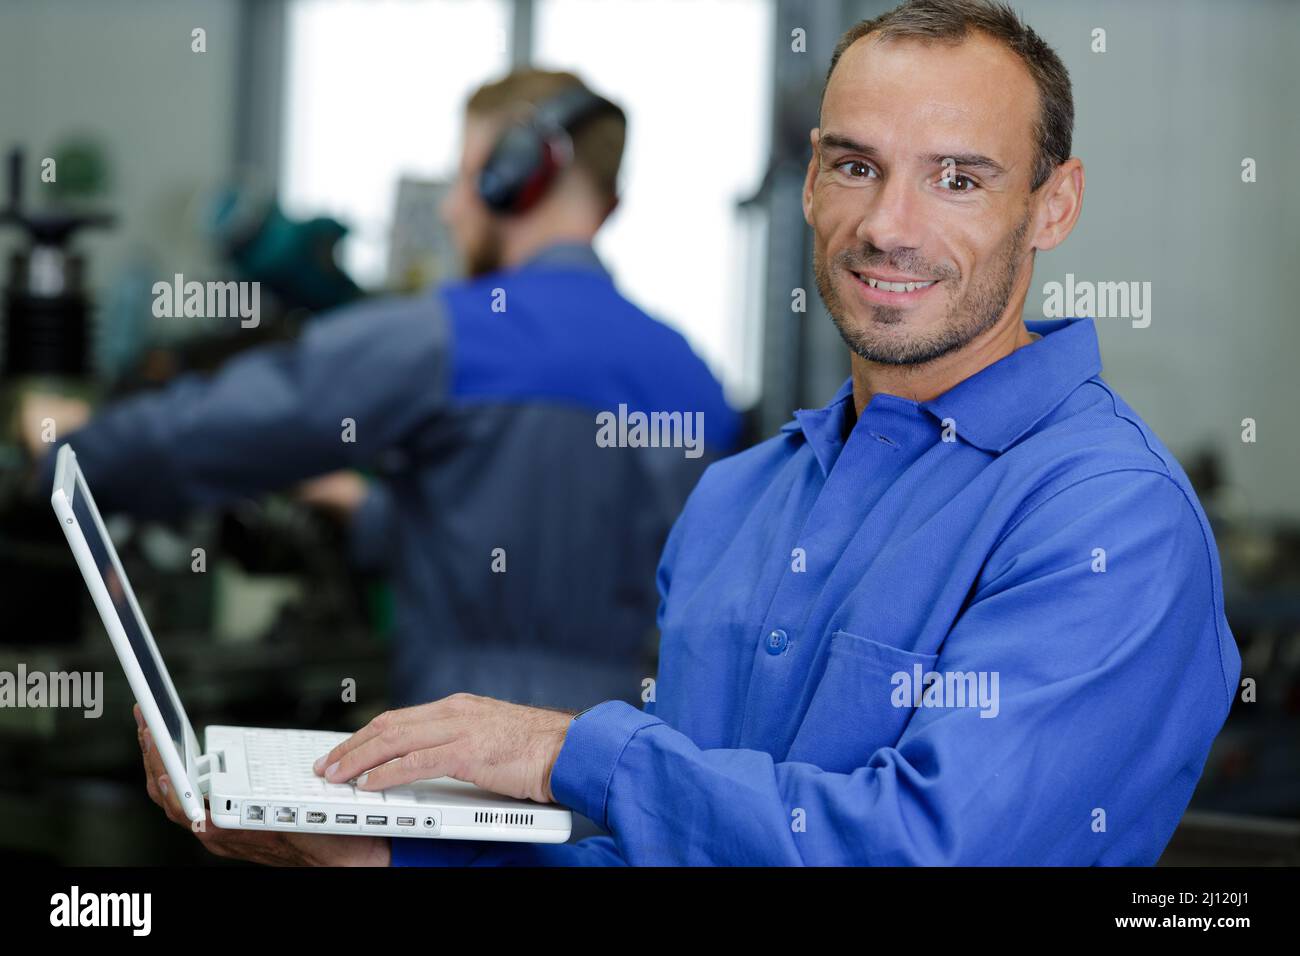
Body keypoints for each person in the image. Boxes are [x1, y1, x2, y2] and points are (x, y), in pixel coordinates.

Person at [137, 0, 1240, 866]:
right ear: (810, 182)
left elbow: (931, 852)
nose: (887, 224)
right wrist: (384, 855)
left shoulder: (1108, 517)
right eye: (855, 164)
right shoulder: (742, 497)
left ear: (1053, 206)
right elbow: (672, 852)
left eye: (958, 177)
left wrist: (572, 749)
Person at [29, 70, 739, 712]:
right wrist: (361, 506)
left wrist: (73, 446)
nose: (455, 210)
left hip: (464, 776)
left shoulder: (454, 336)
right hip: (626, 775)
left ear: (512, 181)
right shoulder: (697, 382)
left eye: (464, 179)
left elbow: (225, 428)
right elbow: (537, 550)